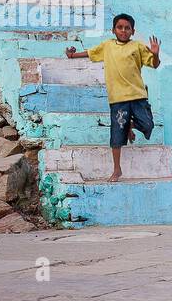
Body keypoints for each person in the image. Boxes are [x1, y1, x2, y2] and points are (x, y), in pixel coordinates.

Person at [65, 14, 160, 182]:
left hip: (138, 96)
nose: (123, 31)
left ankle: (129, 125)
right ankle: (117, 169)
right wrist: (73, 56)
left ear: (133, 31)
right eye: (120, 27)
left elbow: (154, 64)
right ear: (113, 30)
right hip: (118, 99)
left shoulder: (137, 46)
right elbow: (91, 53)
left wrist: (155, 54)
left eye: (127, 28)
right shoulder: (108, 46)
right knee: (117, 136)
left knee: (148, 125)